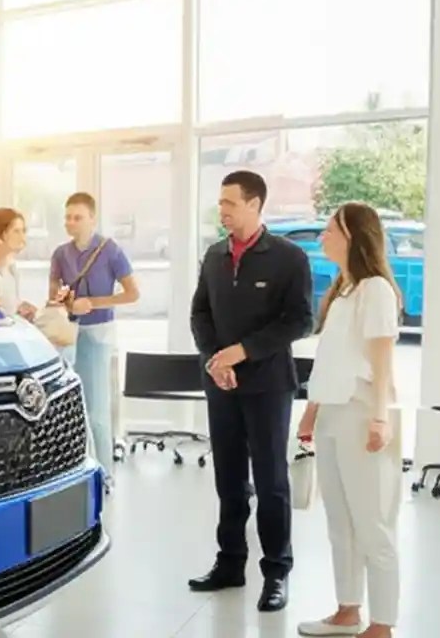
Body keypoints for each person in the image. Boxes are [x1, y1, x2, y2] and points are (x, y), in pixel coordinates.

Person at [188, 170, 313, 613]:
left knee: (271, 480)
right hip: (220, 383)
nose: (221, 210)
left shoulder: (288, 257)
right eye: (220, 202)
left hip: (268, 385)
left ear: (255, 204)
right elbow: (200, 313)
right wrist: (215, 359)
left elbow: (301, 320)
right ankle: (230, 562)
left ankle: (276, 571)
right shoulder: (214, 255)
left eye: (230, 203)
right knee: (228, 477)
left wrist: (242, 351)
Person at [296, 203, 402, 638]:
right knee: (340, 521)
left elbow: (382, 361)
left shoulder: (376, 290)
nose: (323, 237)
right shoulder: (343, 291)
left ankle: (383, 623)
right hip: (332, 413)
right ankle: (347, 610)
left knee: (372, 523)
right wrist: (311, 411)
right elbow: (330, 359)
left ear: (355, 237)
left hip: (361, 414)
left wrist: (380, 419)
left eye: (330, 230)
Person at [49, 192, 139, 486]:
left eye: (77, 217)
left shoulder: (110, 250)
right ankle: (76, 470)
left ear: (92, 219)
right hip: (69, 331)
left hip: (99, 331)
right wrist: (68, 303)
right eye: (68, 217)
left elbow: (132, 293)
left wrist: (93, 303)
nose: (71, 222)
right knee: (71, 405)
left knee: (97, 407)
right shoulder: (60, 254)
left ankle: (105, 474)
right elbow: (54, 295)